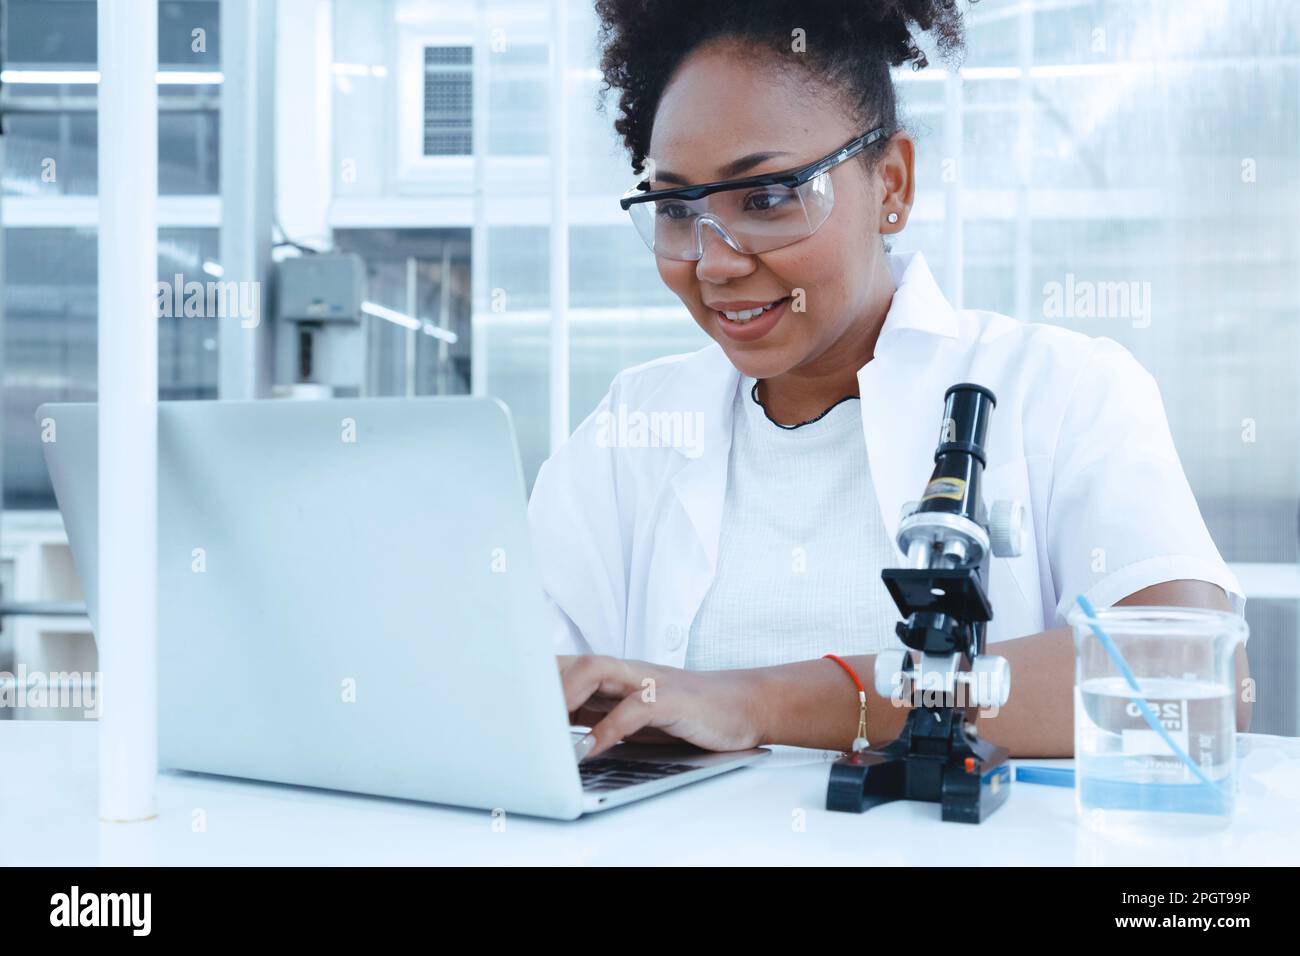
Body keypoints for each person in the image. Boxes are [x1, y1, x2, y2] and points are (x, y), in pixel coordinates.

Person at [528, 0, 1249, 762]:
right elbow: (518, 677)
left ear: (892, 184)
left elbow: (1191, 677)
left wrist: (755, 701)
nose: (714, 262)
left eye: (768, 198)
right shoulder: (634, 425)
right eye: (676, 209)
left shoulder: (1061, 390)